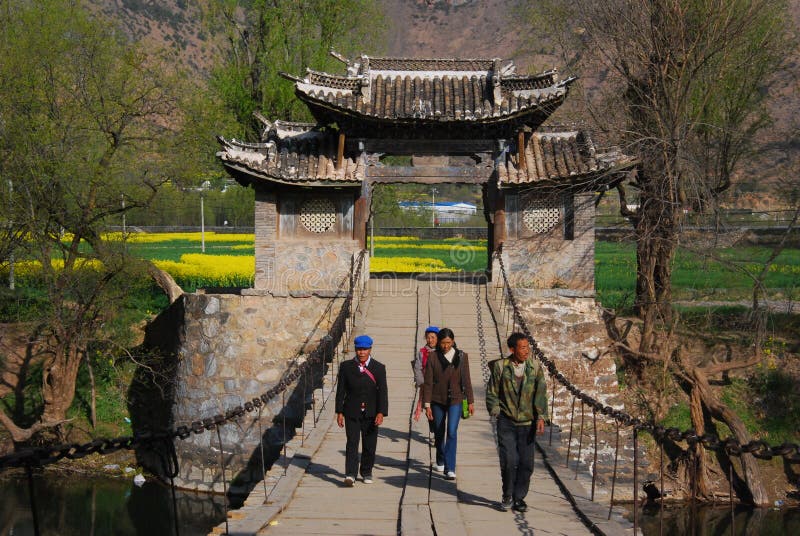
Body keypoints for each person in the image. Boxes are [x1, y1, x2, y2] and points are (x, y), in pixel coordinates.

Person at [486, 332, 548, 512]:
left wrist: (541, 417)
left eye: (528, 347)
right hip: (506, 421)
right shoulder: (500, 367)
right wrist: (496, 411)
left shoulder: (535, 367)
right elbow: (492, 392)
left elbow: (540, 393)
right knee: (509, 460)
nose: (526, 351)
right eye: (522, 348)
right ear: (512, 349)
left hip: (527, 423)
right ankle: (507, 494)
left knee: (527, 463)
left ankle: (519, 497)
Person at [335, 334, 388, 486]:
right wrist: (339, 412)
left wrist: (381, 412)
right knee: (352, 442)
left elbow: (383, 392)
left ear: (370, 349)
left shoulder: (379, 368)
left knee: (369, 444)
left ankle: (366, 471)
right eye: (359, 349)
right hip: (351, 411)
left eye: (365, 349)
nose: (362, 353)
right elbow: (341, 391)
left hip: (371, 412)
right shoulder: (346, 367)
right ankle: (350, 473)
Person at [422, 327, 474, 480]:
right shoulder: (433, 357)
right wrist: (427, 405)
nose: (446, 346)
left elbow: (467, 380)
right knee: (439, 431)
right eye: (443, 343)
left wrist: (470, 401)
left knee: (451, 431)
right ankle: (440, 459)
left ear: (453, 341)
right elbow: (428, 382)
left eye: (449, 342)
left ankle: (450, 467)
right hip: (437, 400)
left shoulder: (462, 357)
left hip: (456, 399)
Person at [412, 326, 439, 422]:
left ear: (438, 338)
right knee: (428, 407)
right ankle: (432, 424)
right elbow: (417, 368)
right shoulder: (422, 352)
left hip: (439, 385)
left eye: (433, 337)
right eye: (428, 337)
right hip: (427, 384)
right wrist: (422, 383)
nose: (430, 340)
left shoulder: (442, 351)